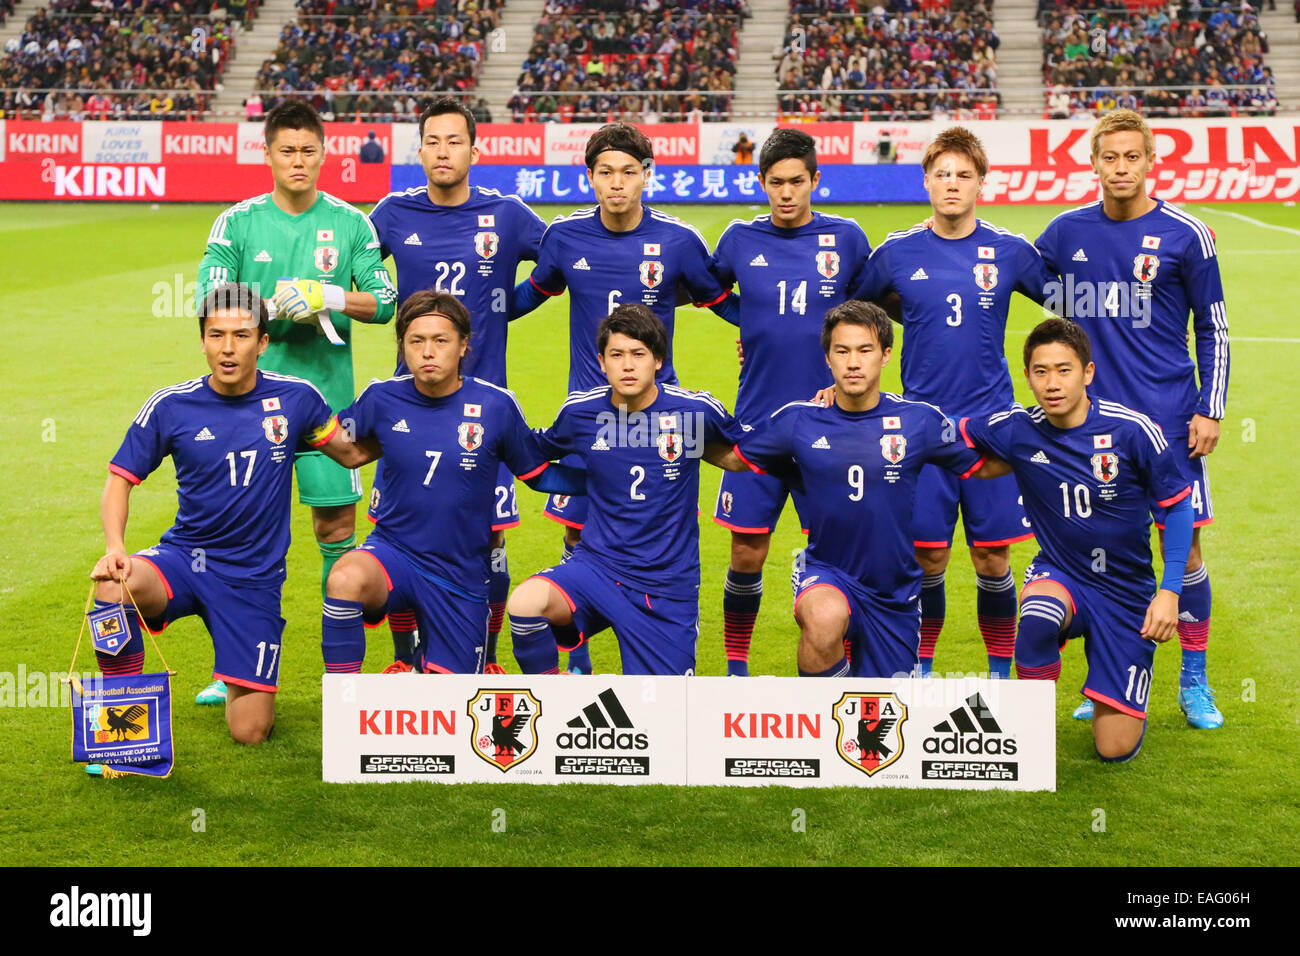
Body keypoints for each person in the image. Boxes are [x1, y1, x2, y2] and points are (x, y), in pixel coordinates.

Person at [90, 284, 375, 745]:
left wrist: (410, 418)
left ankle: (236, 667)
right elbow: (119, 479)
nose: (227, 348)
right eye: (216, 334)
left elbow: (351, 453)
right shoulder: (171, 405)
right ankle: (124, 725)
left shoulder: (297, 399)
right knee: (111, 586)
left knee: (251, 732)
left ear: (263, 342)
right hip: (183, 561)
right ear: (201, 340)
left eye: (241, 335)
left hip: (253, 581)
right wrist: (115, 548)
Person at [193, 99, 398, 706]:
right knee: (238, 540)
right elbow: (208, 297)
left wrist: (330, 294)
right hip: (242, 409)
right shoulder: (236, 223)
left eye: (309, 150)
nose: (298, 161)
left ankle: (346, 671)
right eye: (287, 151)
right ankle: (233, 666)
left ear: (324, 152)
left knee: (335, 528)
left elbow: (384, 301)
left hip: (324, 409)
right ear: (268, 154)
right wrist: (270, 303)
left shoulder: (353, 224)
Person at [513, 122, 737, 671]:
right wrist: (468, 312)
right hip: (587, 414)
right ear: (589, 178)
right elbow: (527, 296)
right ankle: (579, 660)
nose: (617, 184)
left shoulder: (680, 241)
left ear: (647, 176)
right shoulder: (565, 237)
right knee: (579, 529)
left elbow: (721, 301)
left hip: (658, 411)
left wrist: (768, 334)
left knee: (655, 520)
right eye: (606, 173)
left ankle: (664, 613)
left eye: (629, 173)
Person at [1035, 109, 1229, 729]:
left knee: (1188, 547)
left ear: (1151, 161)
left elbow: (1214, 328)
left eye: (1132, 157)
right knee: (1101, 548)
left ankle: (1193, 680)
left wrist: (1210, 407)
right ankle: (1107, 675)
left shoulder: (1186, 235)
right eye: (1109, 158)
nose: (1121, 168)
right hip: (1092, 433)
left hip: (1172, 425)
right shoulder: (1064, 234)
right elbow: (1016, 287)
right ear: (1092, 163)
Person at [851, 126, 1057, 680]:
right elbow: (855, 316)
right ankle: (920, 665)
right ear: (925, 181)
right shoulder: (894, 252)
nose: (952, 184)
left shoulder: (1010, 250)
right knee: (928, 558)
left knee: (993, 557)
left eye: (963, 175)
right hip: (921, 431)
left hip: (992, 429)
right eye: (942, 174)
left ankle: (999, 671)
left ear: (981, 183)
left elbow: (1064, 301)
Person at [960, 319, 1194, 761]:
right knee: (1038, 616)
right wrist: (848, 405)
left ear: (1087, 373)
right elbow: (941, 431)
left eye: (1064, 370)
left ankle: (1108, 668)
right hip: (1061, 573)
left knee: (1114, 750)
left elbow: (1179, 507)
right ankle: (1029, 741)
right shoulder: (1016, 428)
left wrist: (1168, 592)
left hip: (1127, 593)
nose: (1052, 383)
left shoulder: (1132, 431)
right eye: (1041, 371)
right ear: (1026, 376)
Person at [368, 96, 547, 674]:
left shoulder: (510, 215)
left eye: (454, 142)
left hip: (483, 417)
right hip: (406, 411)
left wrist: (503, 308)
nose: (443, 152)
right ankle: (403, 657)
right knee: (398, 536)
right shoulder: (392, 213)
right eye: (432, 142)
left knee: (490, 541)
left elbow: (561, 265)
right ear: (419, 150)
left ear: (475, 149)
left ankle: (487, 656)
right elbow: (358, 277)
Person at [733, 301, 1003, 679]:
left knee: (883, 720)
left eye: (865, 350)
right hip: (827, 571)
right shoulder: (800, 419)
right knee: (824, 621)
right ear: (827, 358)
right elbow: (733, 457)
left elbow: (984, 465)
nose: (853, 362)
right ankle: (827, 718)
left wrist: (1043, 444)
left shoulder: (918, 421)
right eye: (842, 351)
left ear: (886, 355)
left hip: (894, 592)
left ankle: (846, 703)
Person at [320, 291, 583, 675]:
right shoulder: (381, 398)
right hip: (394, 553)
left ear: (463, 345)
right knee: (344, 578)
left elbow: (539, 475)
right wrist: (295, 421)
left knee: (452, 703)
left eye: (440, 341)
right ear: (402, 347)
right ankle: (344, 703)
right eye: (416, 341)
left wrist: (604, 480)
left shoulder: (496, 405)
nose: (428, 352)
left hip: (459, 574)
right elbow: (345, 447)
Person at [707, 128, 872, 676]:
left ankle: (839, 660)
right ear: (761, 183)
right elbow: (710, 292)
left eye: (796, 182)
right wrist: (752, 327)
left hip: (833, 424)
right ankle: (736, 668)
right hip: (756, 423)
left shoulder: (846, 239)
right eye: (775, 183)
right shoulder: (737, 239)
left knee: (840, 553)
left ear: (814, 181)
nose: (785, 193)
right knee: (746, 554)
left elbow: (869, 313)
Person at [506, 305, 748, 676]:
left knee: (661, 716)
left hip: (666, 589)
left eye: (638, 354)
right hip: (596, 569)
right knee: (525, 603)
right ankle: (552, 698)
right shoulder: (581, 414)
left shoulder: (693, 413)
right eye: (617, 355)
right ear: (602, 362)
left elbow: (746, 455)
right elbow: (535, 458)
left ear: (658, 361)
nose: (628, 365)